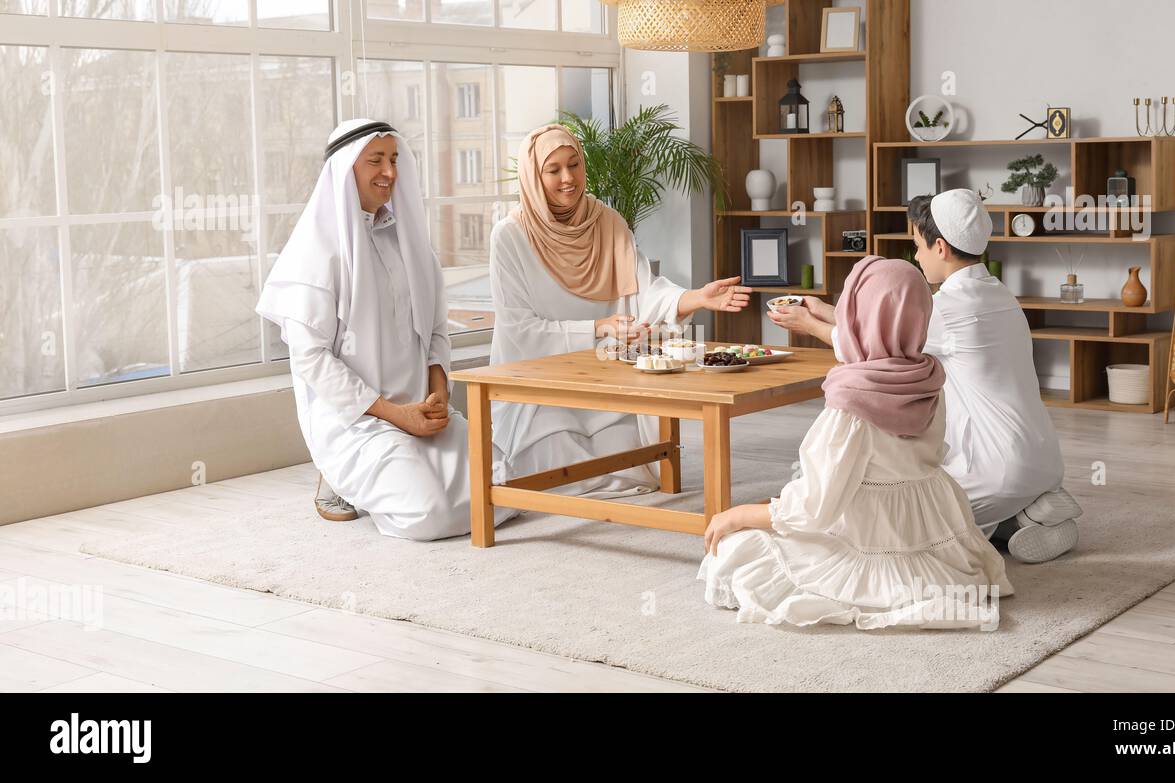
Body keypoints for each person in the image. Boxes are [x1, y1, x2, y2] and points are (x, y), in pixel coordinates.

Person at [767, 189, 1082, 564]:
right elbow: (884, 323)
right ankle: (1031, 512)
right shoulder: (998, 294)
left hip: (997, 469)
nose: (915, 256)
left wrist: (809, 323)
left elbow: (871, 346)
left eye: (916, 246)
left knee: (890, 522)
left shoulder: (947, 308)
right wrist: (825, 309)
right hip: (1043, 460)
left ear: (941, 248)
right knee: (936, 508)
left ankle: (1011, 523)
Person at [698, 257, 1013, 630]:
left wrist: (738, 514)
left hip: (866, 533)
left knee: (735, 551)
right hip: (931, 526)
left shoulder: (853, 400)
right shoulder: (928, 375)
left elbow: (816, 508)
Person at [256, 118, 513, 541]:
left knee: (505, 489)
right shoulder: (316, 252)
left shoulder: (410, 243)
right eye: (375, 160)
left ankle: (381, 477)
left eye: (394, 159)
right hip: (358, 419)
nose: (390, 172)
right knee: (427, 514)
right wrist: (397, 416)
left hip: (421, 407)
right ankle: (338, 475)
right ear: (344, 171)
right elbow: (311, 359)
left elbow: (434, 332)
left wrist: (437, 396)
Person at [488, 123, 752, 496]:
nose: (568, 178)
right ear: (534, 176)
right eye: (553, 170)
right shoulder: (510, 236)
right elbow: (518, 329)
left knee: (637, 469)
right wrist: (599, 327)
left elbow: (647, 291)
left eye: (574, 164)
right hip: (542, 386)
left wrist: (698, 298)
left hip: (607, 382)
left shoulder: (607, 222)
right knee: (554, 460)